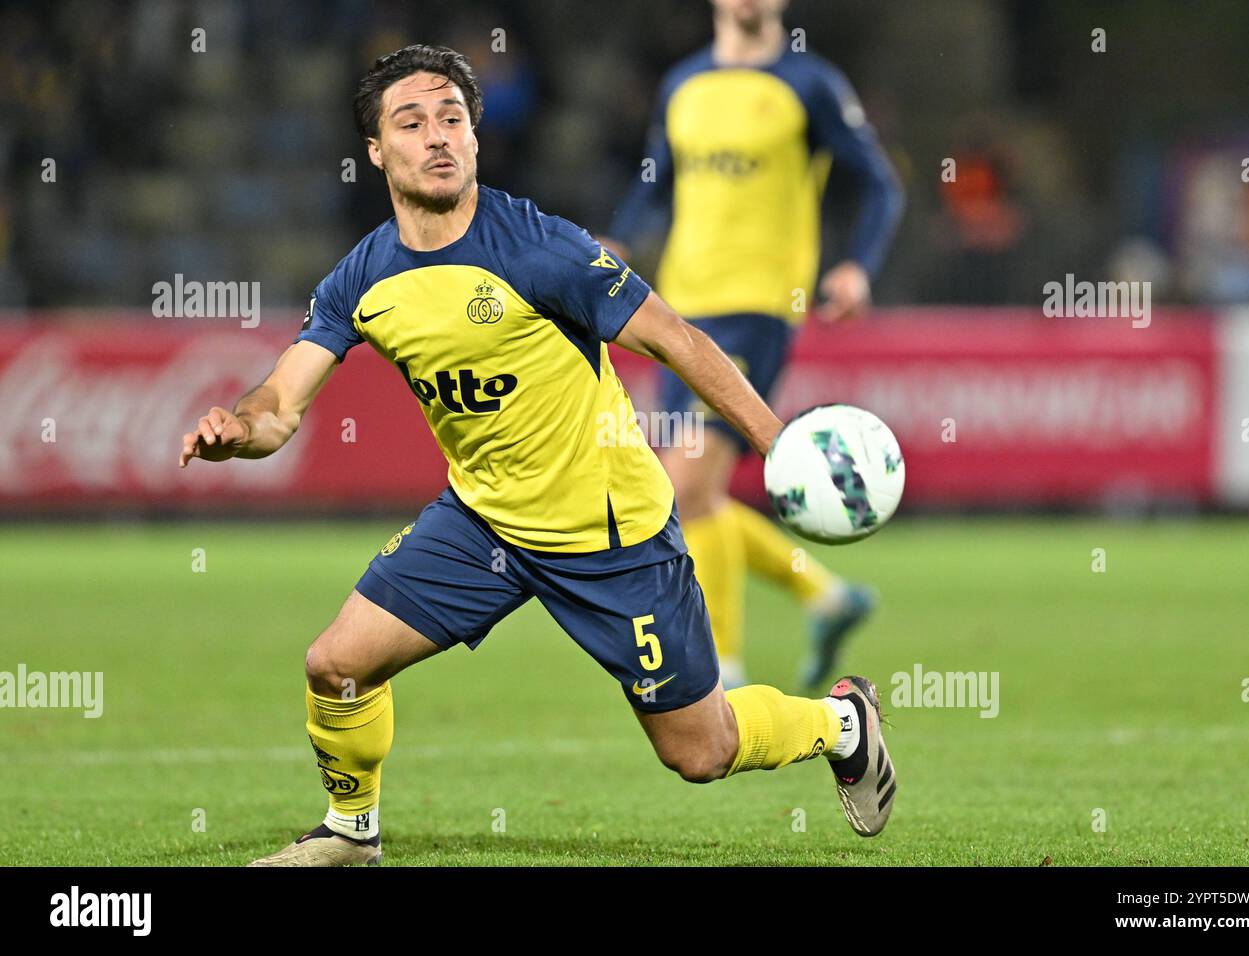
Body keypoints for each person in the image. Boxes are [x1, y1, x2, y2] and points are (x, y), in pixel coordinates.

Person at [178, 44, 896, 866]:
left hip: (610, 531)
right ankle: (351, 833)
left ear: (477, 139)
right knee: (336, 665)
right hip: (482, 522)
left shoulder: (540, 249)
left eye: (454, 119)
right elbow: (280, 405)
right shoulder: (361, 279)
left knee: (700, 752)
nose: (439, 136)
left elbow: (680, 339)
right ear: (376, 151)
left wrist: (776, 443)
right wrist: (240, 428)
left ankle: (843, 722)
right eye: (412, 123)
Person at [605, 0, 905, 688]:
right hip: (678, 312)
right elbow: (656, 180)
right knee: (690, 494)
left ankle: (724, 672)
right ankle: (827, 597)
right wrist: (617, 240)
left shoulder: (809, 84)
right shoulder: (683, 84)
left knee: (684, 483)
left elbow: (881, 185)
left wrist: (857, 264)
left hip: (760, 307)